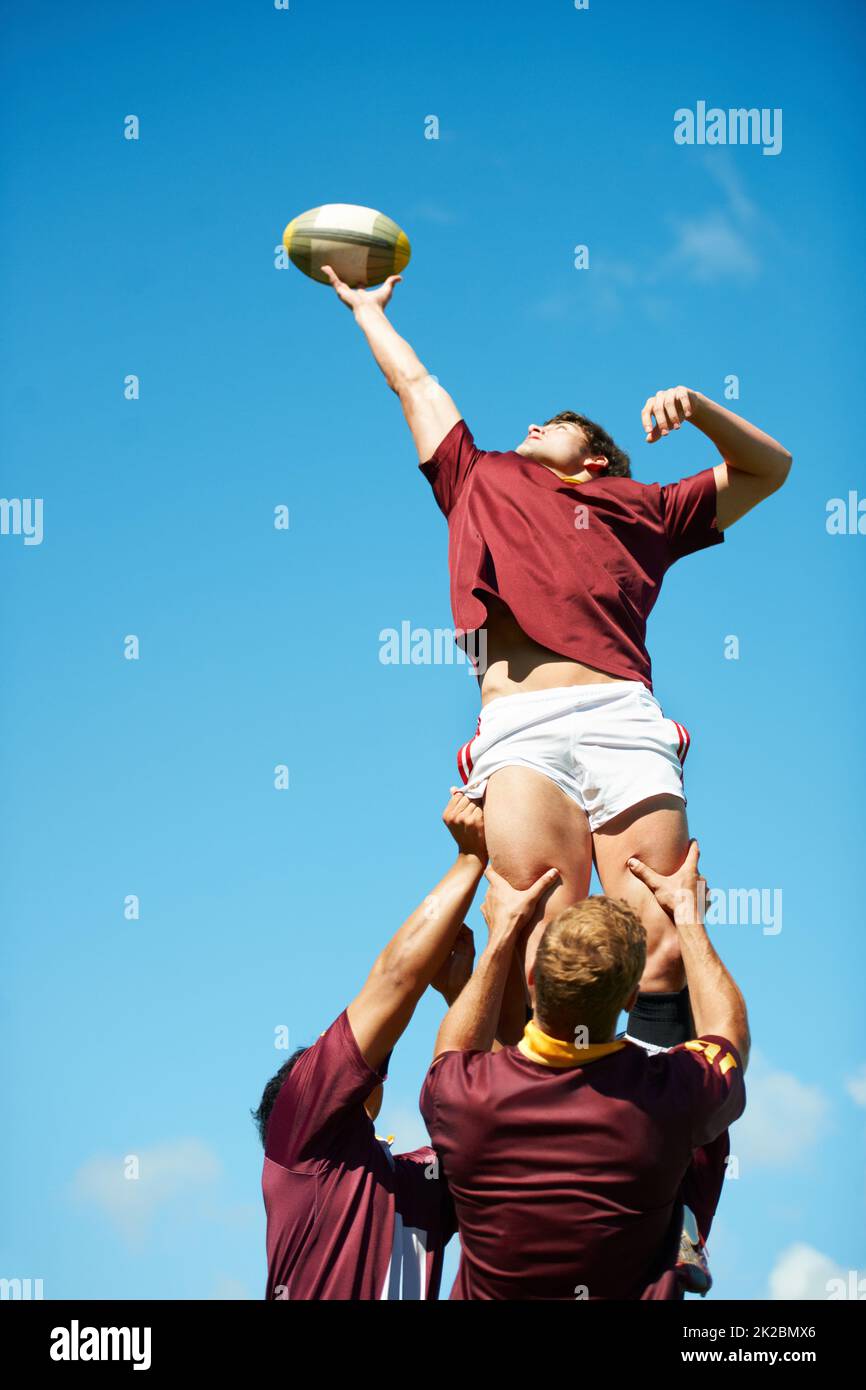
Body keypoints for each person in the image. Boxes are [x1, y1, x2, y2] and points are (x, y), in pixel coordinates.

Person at [321, 265, 791, 1048]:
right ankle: (534, 1128)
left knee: (660, 941)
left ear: (597, 460)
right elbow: (415, 383)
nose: (535, 423)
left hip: (621, 718)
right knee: (542, 947)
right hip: (522, 726)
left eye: (560, 421)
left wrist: (701, 407)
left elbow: (769, 469)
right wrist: (368, 312)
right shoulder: (478, 475)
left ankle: (657, 1137)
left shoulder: (645, 507)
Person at [254, 791, 554, 1299]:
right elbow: (394, 983)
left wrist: (468, 988)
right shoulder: (300, 1136)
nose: (362, 1063)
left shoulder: (418, 1182)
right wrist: (470, 860)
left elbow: (512, 1111)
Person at [419, 840, 748, 1300]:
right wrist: (687, 917)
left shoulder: (463, 1098)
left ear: (533, 979)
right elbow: (728, 1036)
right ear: (631, 999)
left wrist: (502, 933)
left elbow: (454, 1047)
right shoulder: (669, 1096)